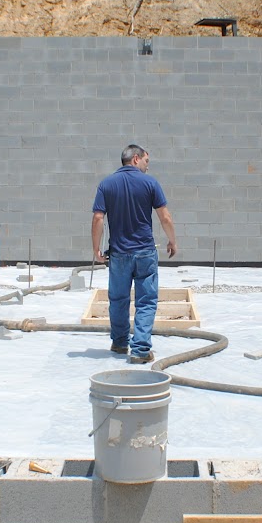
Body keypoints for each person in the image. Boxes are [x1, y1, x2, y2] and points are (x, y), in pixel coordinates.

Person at [91, 145, 178, 363]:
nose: (148, 166)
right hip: (144, 253)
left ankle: (120, 343)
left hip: (119, 253)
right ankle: (140, 351)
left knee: (118, 299)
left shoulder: (106, 184)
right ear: (136, 159)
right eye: (147, 161)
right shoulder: (150, 183)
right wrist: (172, 241)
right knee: (146, 301)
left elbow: (98, 218)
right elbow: (165, 217)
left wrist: (96, 249)